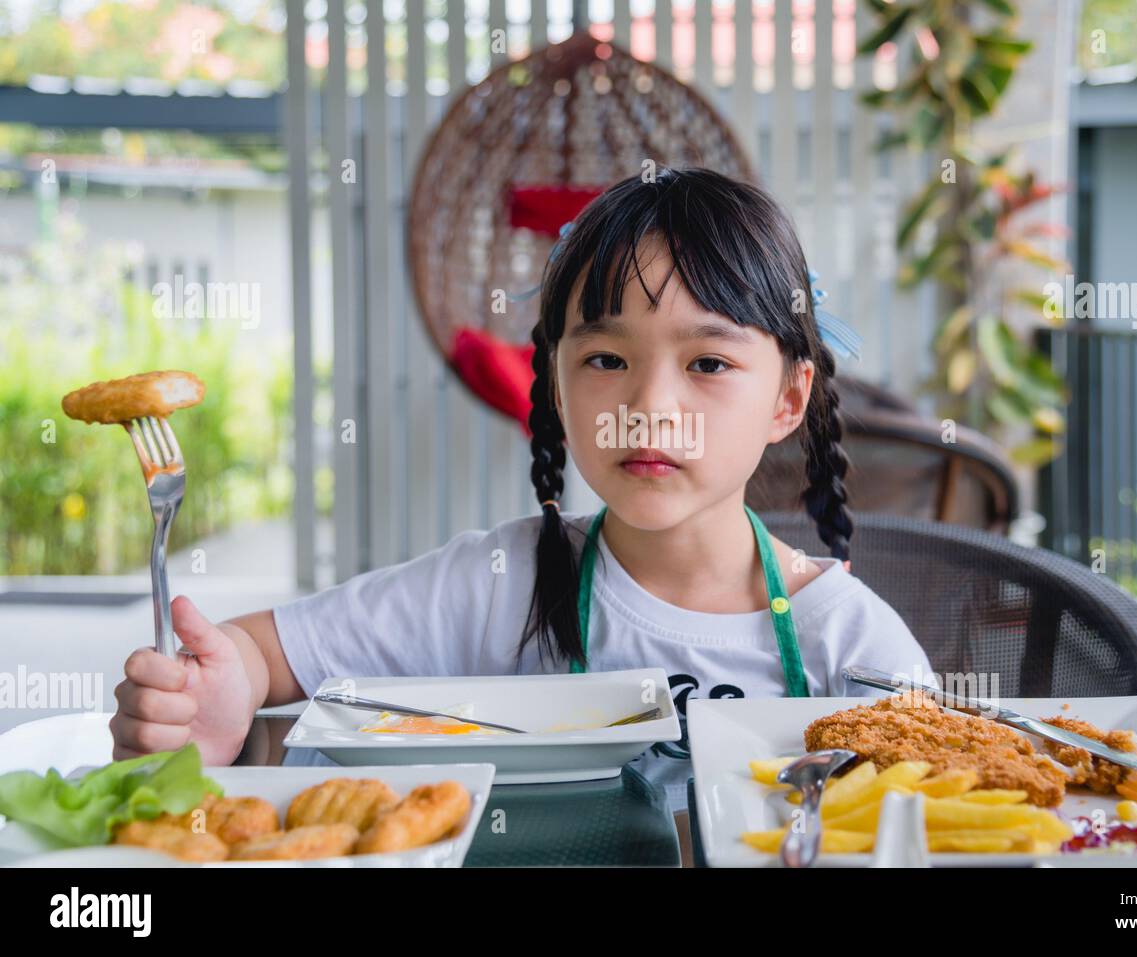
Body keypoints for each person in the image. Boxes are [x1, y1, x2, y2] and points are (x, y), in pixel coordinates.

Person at [110, 166, 934, 858]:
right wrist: (221, 698)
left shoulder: (849, 644)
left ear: (789, 396)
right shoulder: (499, 582)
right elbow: (267, 652)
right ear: (558, 388)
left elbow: (936, 816)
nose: (649, 405)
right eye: (606, 358)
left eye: (709, 361)